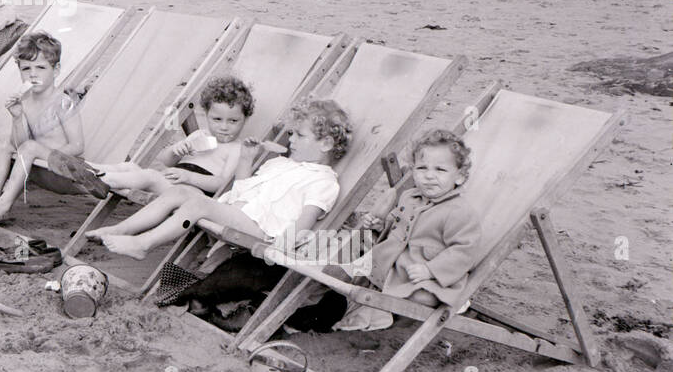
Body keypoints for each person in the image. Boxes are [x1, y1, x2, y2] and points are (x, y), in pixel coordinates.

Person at [90, 99, 350, 260]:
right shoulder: (280, 163)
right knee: (179, 192)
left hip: (262, 231)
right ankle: (119, 230)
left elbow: (304, 223)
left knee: (200, 204)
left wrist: (280, 250)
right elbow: (242, 190)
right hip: (237, 212)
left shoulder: (324, 181)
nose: (290, 140)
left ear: (326, 143)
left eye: (299, 136)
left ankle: (142, 244)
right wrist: (247, 159)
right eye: (291, 133)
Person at [333, 129, 479, 331]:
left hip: (423, 273)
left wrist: (431, 270)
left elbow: (463, 251)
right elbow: (397, 224)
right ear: (413, 170)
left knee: (422, 296)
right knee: (353, 270)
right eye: (421, 168)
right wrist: (380, 225)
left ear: (460, 177)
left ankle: (380, 310)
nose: (429, 176)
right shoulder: (409, 196)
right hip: (394, 264)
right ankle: (377, 308)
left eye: (440, 170)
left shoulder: (459, 211)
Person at [0, 32, 86, 228]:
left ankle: (3, 205)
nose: (33, 74)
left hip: (62, 172)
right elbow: (18, 145)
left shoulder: (62, 102)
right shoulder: (25, 99)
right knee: (3, 142)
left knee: (29, 148)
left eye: (41, 67)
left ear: (56, 70)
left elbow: (77, 146)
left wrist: (42, 155)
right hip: (34, 168)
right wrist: (17, 117)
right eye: (26, 69)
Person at [92, 77, 256, 202]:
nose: (224, 127)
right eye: (217, 119)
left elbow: (223, 184)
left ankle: (104, 181)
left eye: (233, 121)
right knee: (129, 166)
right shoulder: (200, 135)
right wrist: (175, 151)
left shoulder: (236, 149)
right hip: (173, 181)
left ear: (245, 119)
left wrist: (189, 177)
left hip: (193, 195)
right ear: (206, 114)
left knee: (150, 176)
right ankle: (91, 169)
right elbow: (165, 161)